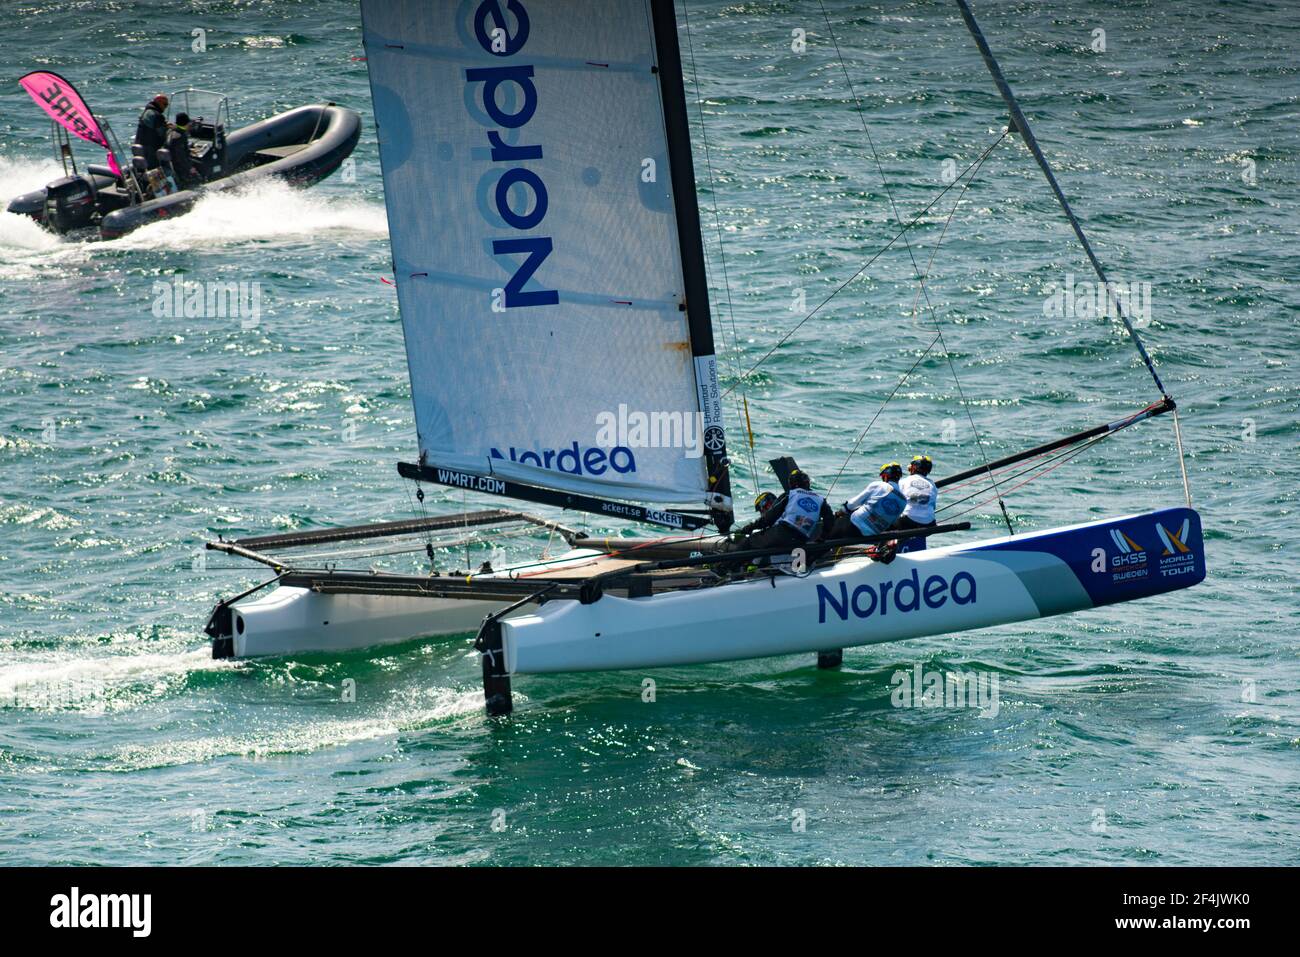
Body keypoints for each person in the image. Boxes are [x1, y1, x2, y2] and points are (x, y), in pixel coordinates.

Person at [724, 468, 834, 565]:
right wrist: (822, 538)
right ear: (807, 483)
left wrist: (748, 528)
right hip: (802, 539)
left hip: (783, 533)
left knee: (749, 543)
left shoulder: (791, 494)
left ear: (791, 484)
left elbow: (769, 519)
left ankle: (724, 569)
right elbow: (830, 520)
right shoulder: (820, 499)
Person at [826, 462, 906, 540]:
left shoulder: (879, 485)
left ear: (885, 476)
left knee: (830, 535)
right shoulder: (904, 500)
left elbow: (852, 504)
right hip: (873, 533)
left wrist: (838, 513)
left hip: (855, 524)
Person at [894, 454, 938, 551]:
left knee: (890, 519)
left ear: (913, 467)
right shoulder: (932, 484)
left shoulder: (903, 481)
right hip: (929, 524)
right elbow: (933, 506)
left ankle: (888, 549)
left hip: (908, 522)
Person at [165, 112, 200, 188]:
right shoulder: (180, 136)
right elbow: (180, 157)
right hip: (179, 168)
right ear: (186, 123)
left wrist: (189, 149)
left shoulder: (170, 131)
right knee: (200, 165)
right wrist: (190, 168)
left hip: (171, 163)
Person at [134, 94, 170, 168]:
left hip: (141, 146)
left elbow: (151, 126)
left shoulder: (147, 111)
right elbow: (162, 134)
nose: (165, 107)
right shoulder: (157, 115)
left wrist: (165, 125)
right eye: (165, 104)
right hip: (151, 149)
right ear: (159, 102)